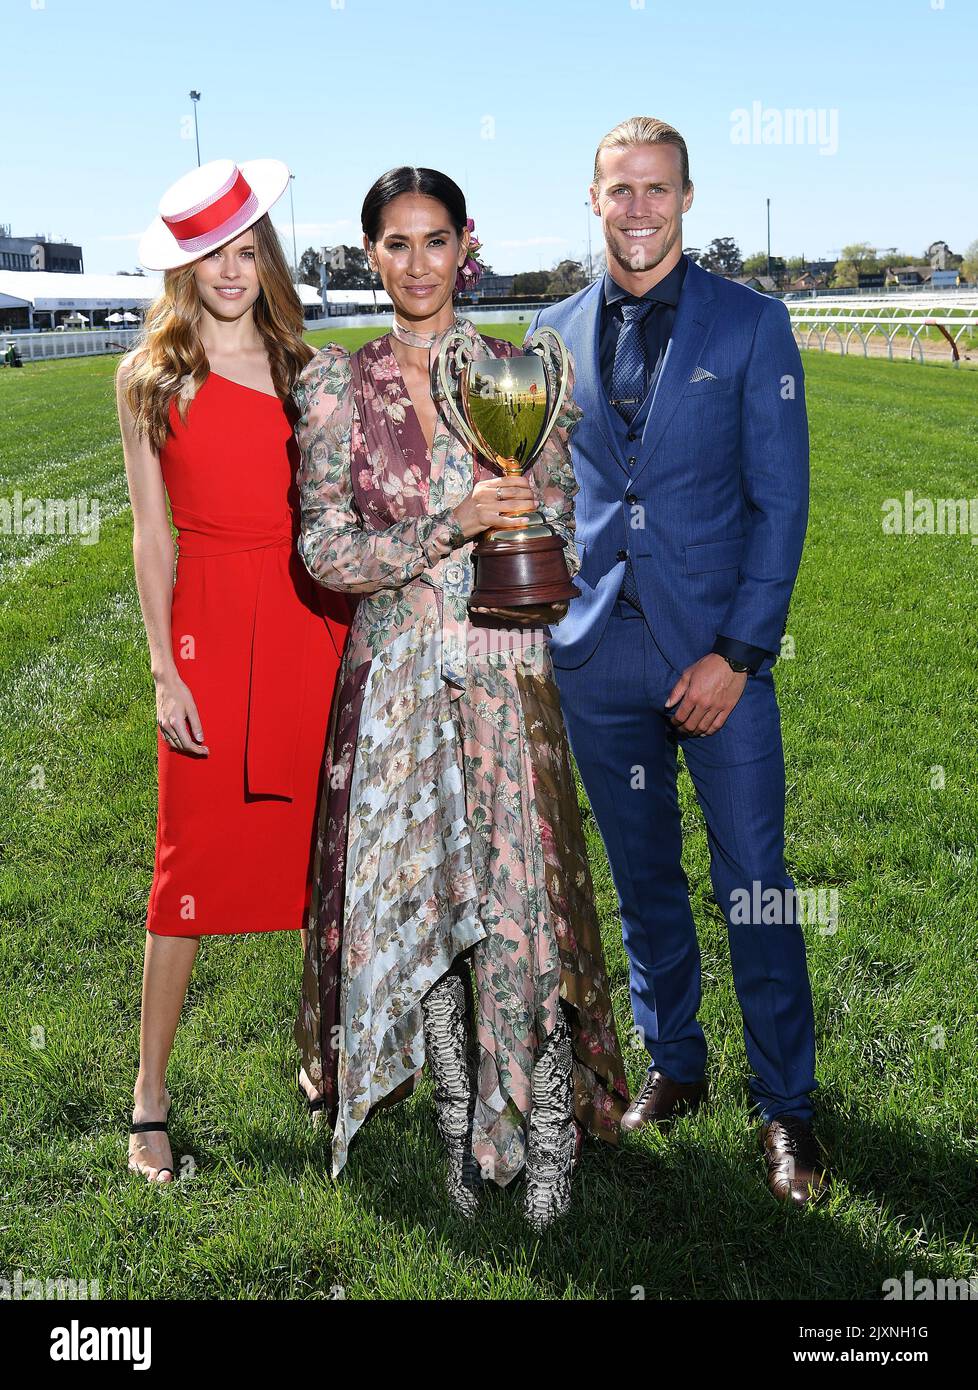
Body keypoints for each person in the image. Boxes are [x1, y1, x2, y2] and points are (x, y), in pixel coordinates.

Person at [293, 166, 628, 1230]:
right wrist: (453, 524)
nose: (417, 263)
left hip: (502, 675)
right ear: (370, 256)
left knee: (519, 907)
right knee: (428, 908)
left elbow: (568, 523)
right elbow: (325, 551)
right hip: (395, 688)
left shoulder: (519, 371)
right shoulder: (337, 386)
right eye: (395, 244)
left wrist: (532, 516)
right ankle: (452, 1133)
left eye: (435, 240)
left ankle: (539, 1138)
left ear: (465, 245)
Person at [526, 117, 827, 1205]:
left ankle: (787, 1108)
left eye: (657, 188)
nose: (638, 207)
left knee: (755, 883)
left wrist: (737, 654)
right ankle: (678, 1061)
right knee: (645, 876)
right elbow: (550, 495)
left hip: (720, 662)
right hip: (598, 652)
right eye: (620, 188)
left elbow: (781, 504)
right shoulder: (549, 335)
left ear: (689, 199)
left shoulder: (753, 327)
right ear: (592, 198)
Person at [116, 159, 349, 1183]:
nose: (230, 270)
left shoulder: (309, 366)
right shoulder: (149, 381)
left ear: (268, 256)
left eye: (246, 249)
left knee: (326, 859)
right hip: (210, 624)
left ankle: (322, 1051)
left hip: (314, 622)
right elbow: (150, 538)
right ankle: (148, 1098)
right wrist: (166, 667)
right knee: (188, 872)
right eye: (209, 253)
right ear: (182, 267)